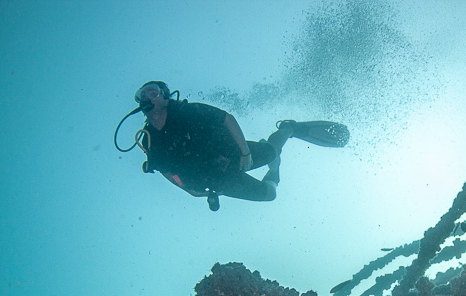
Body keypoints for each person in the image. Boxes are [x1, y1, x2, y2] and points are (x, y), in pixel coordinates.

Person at [132, 81, 348, 211]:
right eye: (142, 95)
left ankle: (289, 129)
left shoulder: (187, 111)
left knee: (271, 151)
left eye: (153, 92)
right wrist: (188, 189)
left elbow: (226, 119)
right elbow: (166, 170)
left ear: (166, 99)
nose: (147, 97)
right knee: (269, 195)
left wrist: (245, 153)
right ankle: (275, 170)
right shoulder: (148, 140)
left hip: (232, 152)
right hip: (215, 179)